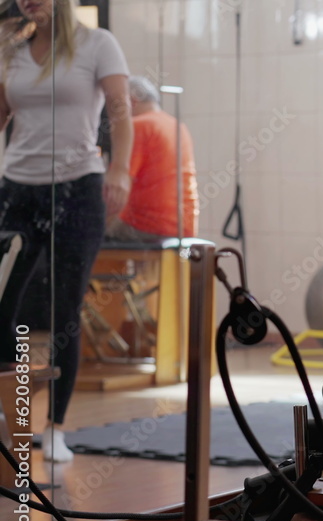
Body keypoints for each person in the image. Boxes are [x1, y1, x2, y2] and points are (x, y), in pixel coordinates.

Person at [0, 0, 132, 462]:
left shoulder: (99, 44)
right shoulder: (13, 49)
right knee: (5, 302)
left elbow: (119, 110)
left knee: (64, 307)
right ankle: (13, 407)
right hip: (18, 190)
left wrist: (120, 169)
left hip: (77, 189)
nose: (28, 2)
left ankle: (55, 426)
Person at [105, 75, 198, 242]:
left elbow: (118, 190)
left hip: (147, 226)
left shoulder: (138, 126)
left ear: (131, 102)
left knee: (86, 238)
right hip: (184, 227)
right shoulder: (178, 126)